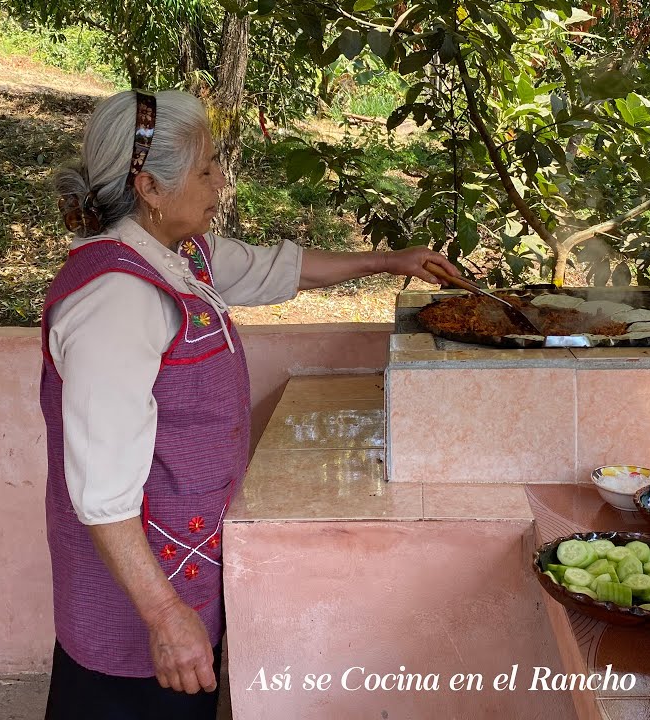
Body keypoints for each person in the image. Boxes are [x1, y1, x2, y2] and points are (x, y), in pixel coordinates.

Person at [39, 89, 458, 719]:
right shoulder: (116, 300)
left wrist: (390, 260)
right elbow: (101, 489)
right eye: (206, 168)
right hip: (140, 584)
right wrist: (163, 615)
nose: (220, 181)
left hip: (184, 556)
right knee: (124, 700)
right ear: (151, 188)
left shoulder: (179, 260)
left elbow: (278, 269)